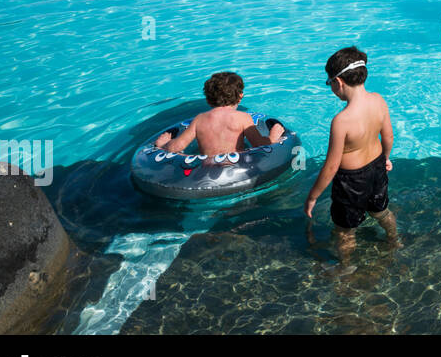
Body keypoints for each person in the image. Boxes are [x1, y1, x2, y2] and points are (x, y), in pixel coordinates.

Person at [304, 47, 399, 253]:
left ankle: (347, 269)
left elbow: (331, 167)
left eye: (329, 83)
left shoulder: (341, 121)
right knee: (381, 211)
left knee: (345, 229)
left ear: (338, 82)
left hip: (351, 182)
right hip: (377, 168)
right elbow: (389, 136)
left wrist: (312, 196)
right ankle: (394, 240)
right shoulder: (379, 100)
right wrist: (386, 158)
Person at [155, 72, 284, 155]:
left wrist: (163, 144)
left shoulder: (200, 119)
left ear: (208, 100)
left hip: (206, 169)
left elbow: (177, 146)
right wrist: (273, 137)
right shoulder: (243, 118)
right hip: (236, 167)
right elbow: (260, 145)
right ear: (240, 97)